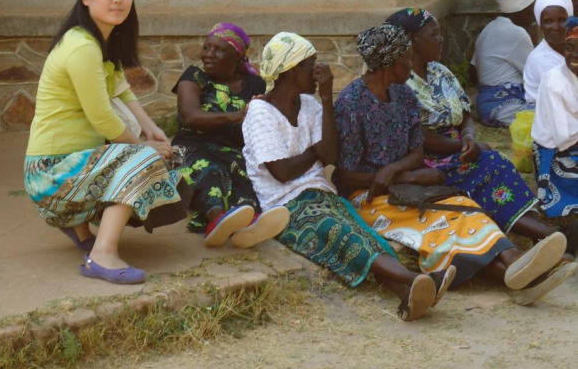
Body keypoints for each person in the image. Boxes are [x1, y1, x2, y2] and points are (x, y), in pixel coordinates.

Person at [333, 24, 575, 306]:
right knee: (438, 222)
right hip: (369, 197)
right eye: (407, 60)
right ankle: (516, 272)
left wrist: (401, 171)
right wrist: (399, 176)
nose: (411, 66)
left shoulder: (403, 96)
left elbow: (416, 151)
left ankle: (515, 264)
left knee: (466, 209)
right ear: (390, 63)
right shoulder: (351, 103)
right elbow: (345, 178)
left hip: (408, 187)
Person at [242, 32, 455, 322]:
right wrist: (315, 151)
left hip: (320, 194)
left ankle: (406, 294)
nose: (319, 72)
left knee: (362, 234)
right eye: (312, 65)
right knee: (338, 234)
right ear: (293, 71)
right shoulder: (259, 112)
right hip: (283, 206)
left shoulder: (310, 104)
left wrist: (327, 98)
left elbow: (329, 155)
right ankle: (414, 278)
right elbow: (282, 172)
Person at [24, 0, 189, 285]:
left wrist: (149, 126)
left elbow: (119, 87)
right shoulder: (81, 46)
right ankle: (101, 256)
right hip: (50, 172)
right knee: (146, 159)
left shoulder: (97, 41)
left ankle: (79, 227)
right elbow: (101, 116)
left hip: (69, 166)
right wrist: (143, 147)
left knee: (161, 155)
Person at [386, 7, 560, 246]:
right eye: (433, 35)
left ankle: (541, 232)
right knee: (487, 168)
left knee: (497, 162)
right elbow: (416, 136)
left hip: (457, 147)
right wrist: (462, 145)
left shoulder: (440, 72)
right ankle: (546, 236)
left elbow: (465, 112)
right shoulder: (399, 82)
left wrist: (468, 135)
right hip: (428, 158)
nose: (441, 39)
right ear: (411, 41)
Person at [172, 22, 290, 247]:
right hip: (193, 145)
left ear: (238, 55)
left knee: (247, 176)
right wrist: (237, 115)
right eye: (206, 48)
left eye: (218, 49)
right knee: (209, 172)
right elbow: (190, 116)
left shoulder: (256, 84)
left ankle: (248, 226)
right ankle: (216, 220)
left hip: (234, 149)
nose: (208, 55)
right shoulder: (194, 76)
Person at [470, 0, 536, 127]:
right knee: (556, 115)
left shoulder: (490, 28)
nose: (535, 10)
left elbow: (472, 72)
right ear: (520, 9)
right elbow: (537, 74)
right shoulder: (517, 33)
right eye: (532, 6)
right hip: (504, 105)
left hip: (486, 104)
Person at [532, 16, 578, 231]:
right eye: (569, 48)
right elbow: (563, 136)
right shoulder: (554, 80)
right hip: (557, 150)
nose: (574, 55)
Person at [523, 0, 573, 106]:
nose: (556, 27)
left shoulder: (571, 48)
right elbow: (566, 97)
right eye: (548, 21)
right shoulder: (540, 59)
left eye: (561, 20)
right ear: (540, 25)